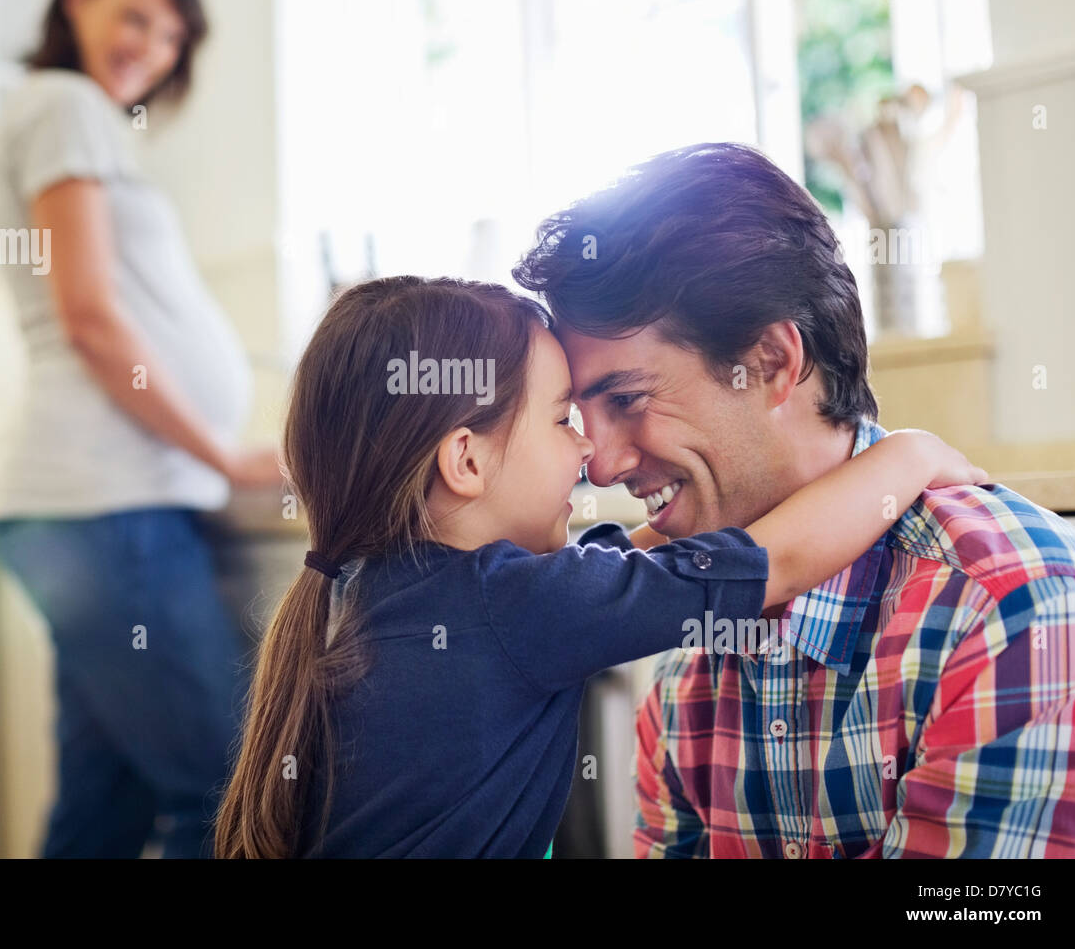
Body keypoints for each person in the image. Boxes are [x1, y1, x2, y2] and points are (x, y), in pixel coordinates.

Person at [212, 276, 983, 858]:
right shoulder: (517, 606)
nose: (591, 454)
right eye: (562, 420)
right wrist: (906, 455)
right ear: (466, 459)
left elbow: (633, 559)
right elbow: (771, 564)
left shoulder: (367, 597)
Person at [513, 141, 1075, 858]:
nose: (599, 465)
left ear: (771, 363)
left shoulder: (1012, 613)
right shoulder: (689, 655)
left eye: (627, 398)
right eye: (578, 415)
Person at [0, 0, 281, 858]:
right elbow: (93, 321)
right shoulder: (66, 105)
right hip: (111, 505)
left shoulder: (68, 116)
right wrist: (222, 455)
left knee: (103, 809)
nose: (149, 46)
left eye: (171, 35)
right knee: (226, 789)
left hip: (89, 513)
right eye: (133, 15)